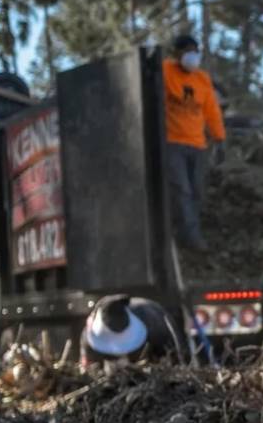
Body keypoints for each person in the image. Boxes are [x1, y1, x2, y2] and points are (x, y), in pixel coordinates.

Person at [162, 34, 225, 251]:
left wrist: (219, 137)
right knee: (181, 190)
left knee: (196, 191)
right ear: (176, 53)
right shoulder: (165, 72)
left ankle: (188, 232)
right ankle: (190, 237)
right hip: (172, 142)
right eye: (187, 51)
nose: (192, 56)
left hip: (197, 145)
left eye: (195, 51)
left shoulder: (202, 79)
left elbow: (211, 110)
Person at [82, 295, 188, 365]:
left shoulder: (152, 318)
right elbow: (87, 362)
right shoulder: (91, 331)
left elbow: (174, 351)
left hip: (152, 354)